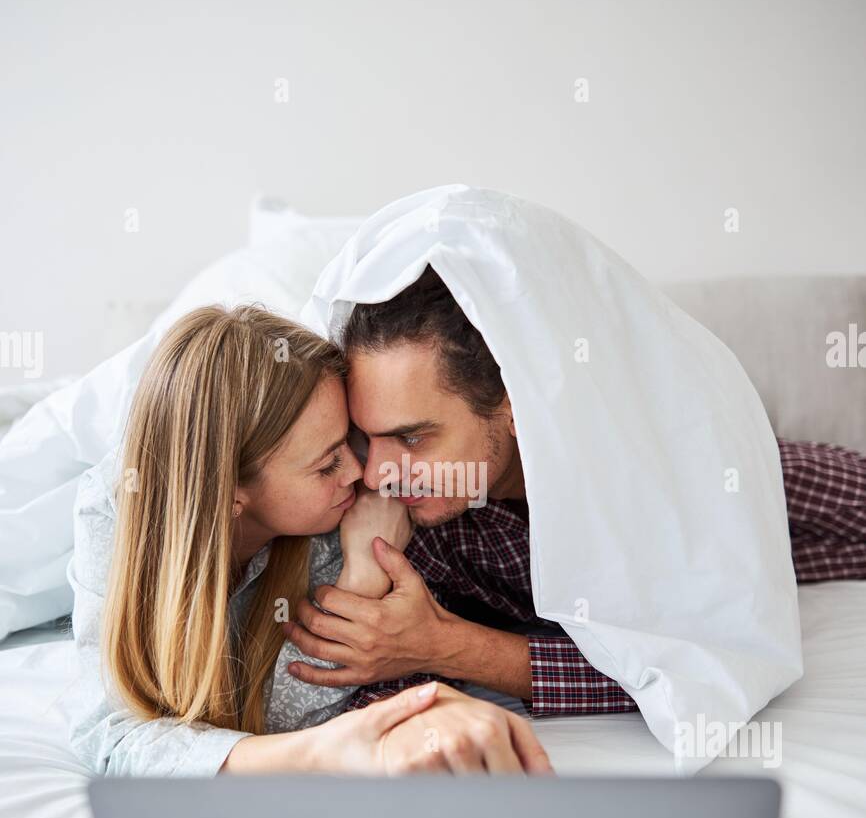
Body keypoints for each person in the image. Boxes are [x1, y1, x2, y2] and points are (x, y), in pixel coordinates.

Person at [281, 266, 866, 716]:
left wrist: (452, 646)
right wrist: (366, 580)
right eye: (366, 438)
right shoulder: (409, 521)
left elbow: (706, 666)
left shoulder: (657, 460)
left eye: (411, 437)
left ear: (514, 406)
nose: (376, 474)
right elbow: (343, 702)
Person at [65, 304, 553, 778]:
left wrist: (362, 576)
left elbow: (283, 714)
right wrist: (325, 751)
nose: (366, 473)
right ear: (232, 493)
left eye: (352, 441)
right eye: (328, 464)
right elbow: (114, 738)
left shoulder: (350, 510)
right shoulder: (116, 507)